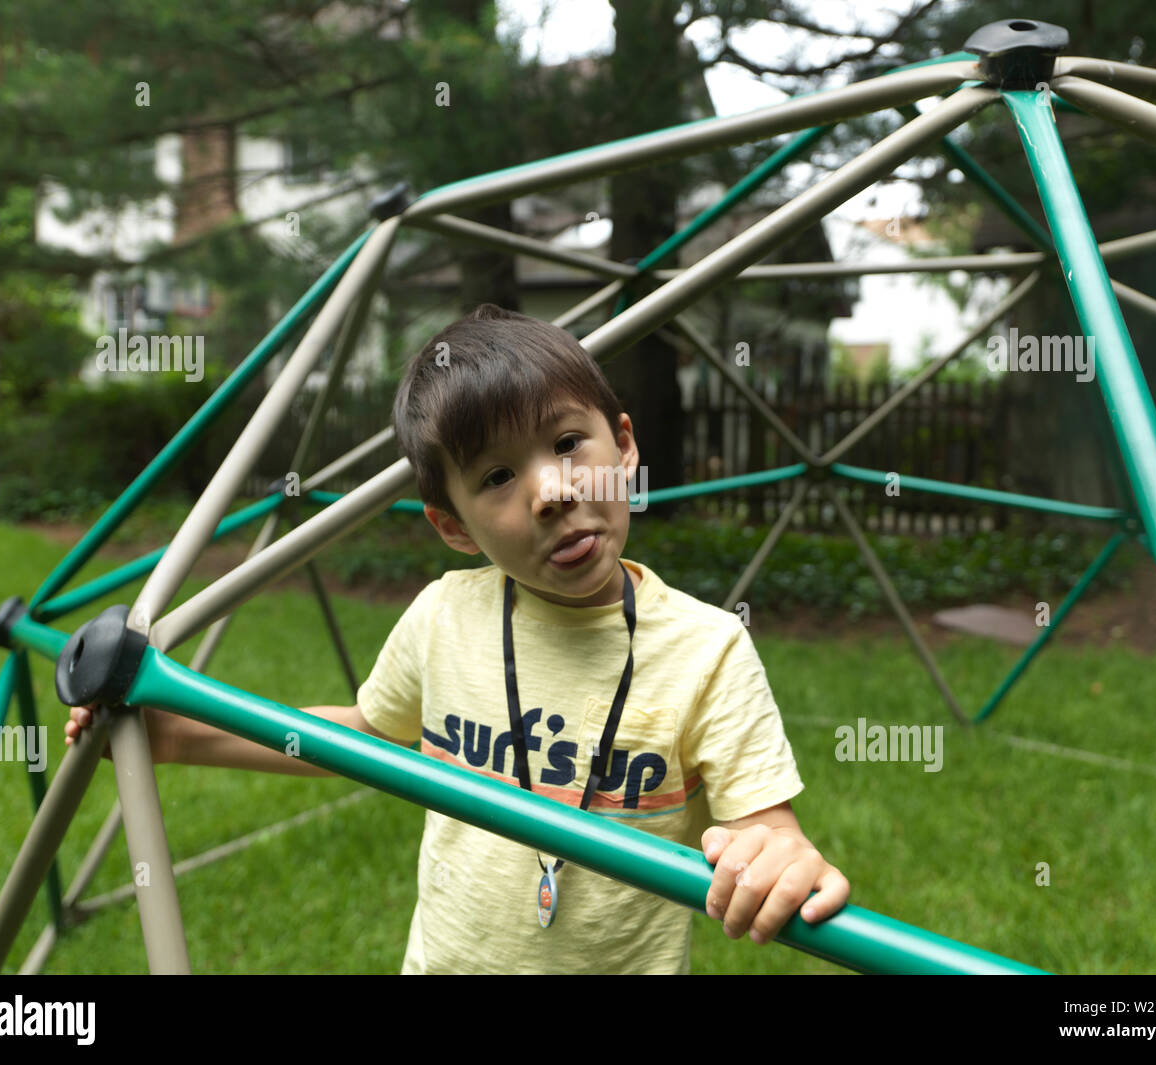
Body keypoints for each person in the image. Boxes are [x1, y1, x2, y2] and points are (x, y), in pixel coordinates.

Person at [66, 303, 849, 974]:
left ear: (625, 445)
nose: (551, 491)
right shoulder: (445, 616)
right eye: (497, 478)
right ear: (453, 525)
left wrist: (777, 854)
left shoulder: (708, 650)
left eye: (569, 443)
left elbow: (763, 826)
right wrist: (173, 735)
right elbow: (365, 734)